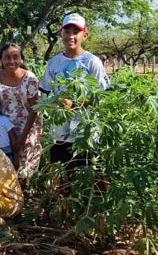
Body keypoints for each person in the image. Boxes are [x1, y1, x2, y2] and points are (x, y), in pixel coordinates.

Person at [40, 12, 110, 166]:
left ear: (85, 35)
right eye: (67, 31)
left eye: (76, 32)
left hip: (85, 132)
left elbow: (102, 96)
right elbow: (45, 92)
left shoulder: (92, 62)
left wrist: (75, 104)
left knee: (85, 172)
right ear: (61, 33)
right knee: (61, 173)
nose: (71, 36)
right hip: (59, 132)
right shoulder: (54, 62)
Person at [0, 43, 42, 180]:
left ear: (21, 59)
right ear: (0, 59)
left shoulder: (30, 79)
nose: (11, 61)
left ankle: (23, 190)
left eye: (15, 57)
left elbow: (34, 109)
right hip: (3, 126)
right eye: (7, 57)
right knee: (3, 162)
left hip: (27, 126)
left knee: (24, 165)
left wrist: (22, 138)